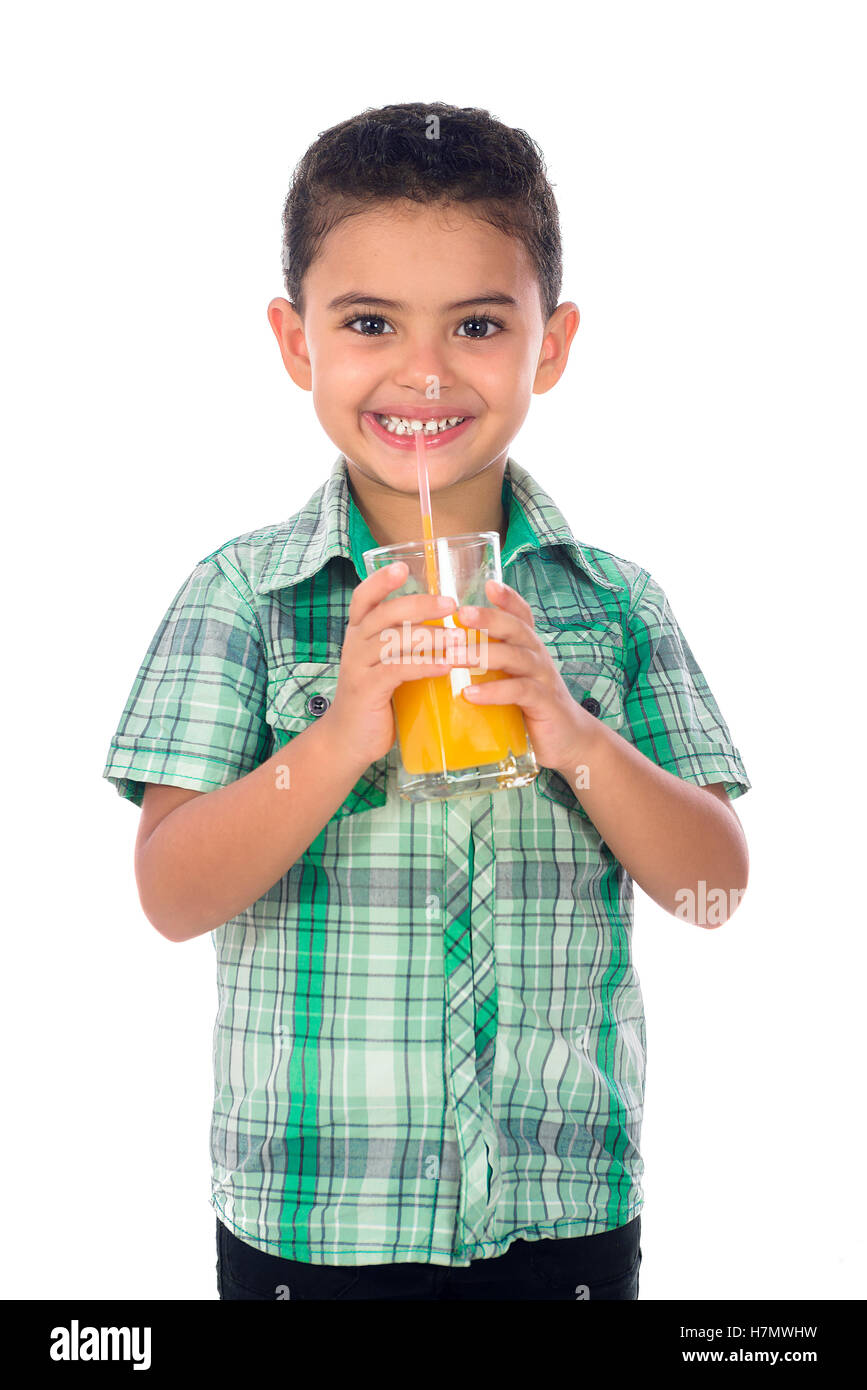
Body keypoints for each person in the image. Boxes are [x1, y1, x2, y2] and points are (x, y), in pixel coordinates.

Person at [102, 102, 751, 1301]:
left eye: (478, 325)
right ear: (296, 342)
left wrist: (575, 734)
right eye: (369, 323)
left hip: (562, 1219)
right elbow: (170, 895)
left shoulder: (613, 605)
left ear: (549, 345)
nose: (425, 370)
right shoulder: (244, 596)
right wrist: (338, 738)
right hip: (315, 1225)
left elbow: (713, 889)